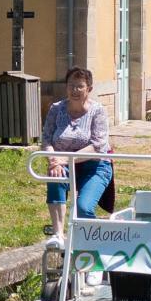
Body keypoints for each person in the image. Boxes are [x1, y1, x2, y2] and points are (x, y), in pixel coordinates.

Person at [41, 66, 112, 239]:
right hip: (64, 164)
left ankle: (94, 244)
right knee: (55, 175)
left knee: (83, 208)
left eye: (80, 86)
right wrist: (53, 160)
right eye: (71, 85)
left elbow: (97, 146)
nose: (75, 90)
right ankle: (58, 235)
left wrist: (64, 159)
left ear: (89, 89)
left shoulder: (98, 111)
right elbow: (46, 140)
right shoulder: (56, 109)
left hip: (94, 165)